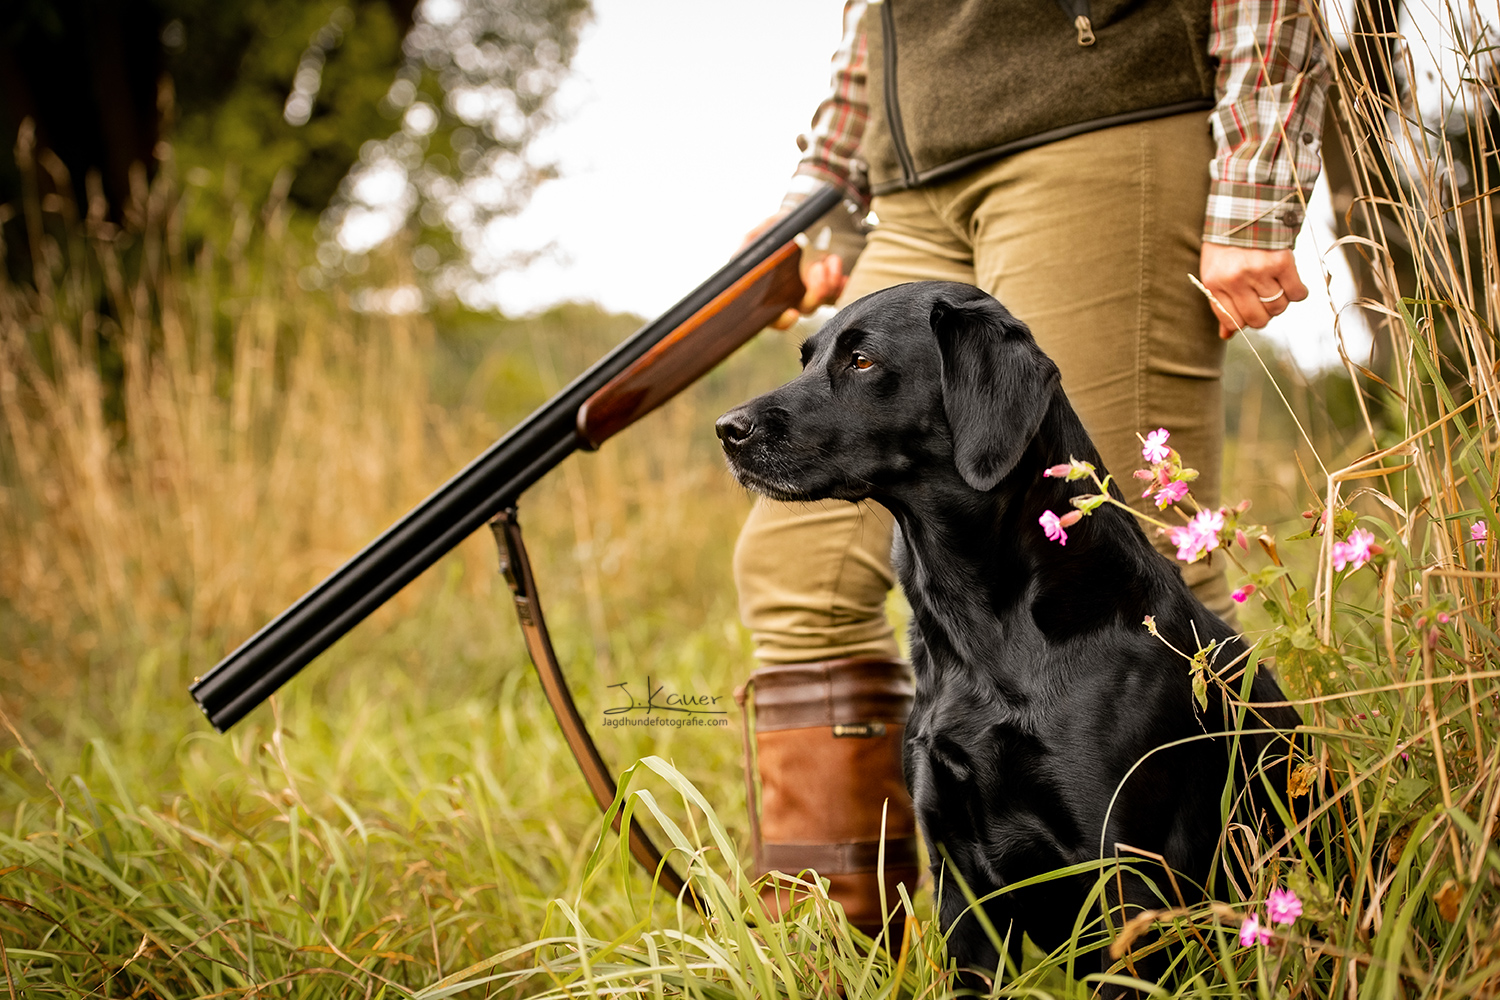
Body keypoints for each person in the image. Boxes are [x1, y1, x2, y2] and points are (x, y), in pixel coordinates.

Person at [731, 0, 1329, 934]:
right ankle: (844, 957)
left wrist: (1257, 180)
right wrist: (826, 186)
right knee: (792, 576)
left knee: (1126, 560)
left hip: (1093, 118)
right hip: (912, 167)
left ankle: (1240, 938)